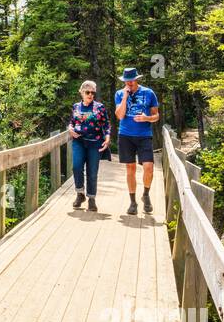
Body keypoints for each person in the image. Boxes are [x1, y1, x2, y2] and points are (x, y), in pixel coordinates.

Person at [113, 67, 160, 216]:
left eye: (132, 80)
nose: (130, 83)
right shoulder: (119, 94)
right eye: (127, 81)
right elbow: (119, 116)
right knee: (130, 169)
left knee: (149, 166)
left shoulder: (148, 93)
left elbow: (156, 116)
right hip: (126, 135)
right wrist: (125, 98)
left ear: (137, 79)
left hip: (144, 135)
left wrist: (146, 118)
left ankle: (145, 194)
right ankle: (133, 202)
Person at [67, 80, 110, 213]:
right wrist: (69, 128)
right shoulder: (76, 107)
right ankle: (80, 194)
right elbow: (72, 122)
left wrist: (107, 137)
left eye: (92, 92)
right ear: (81, 92)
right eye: (87, 92)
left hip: (94, 142)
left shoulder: (100, 107)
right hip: (79, 141)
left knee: (92, 171)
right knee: (76, 166)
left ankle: (91, 198)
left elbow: (106, 124)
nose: (90, 95)